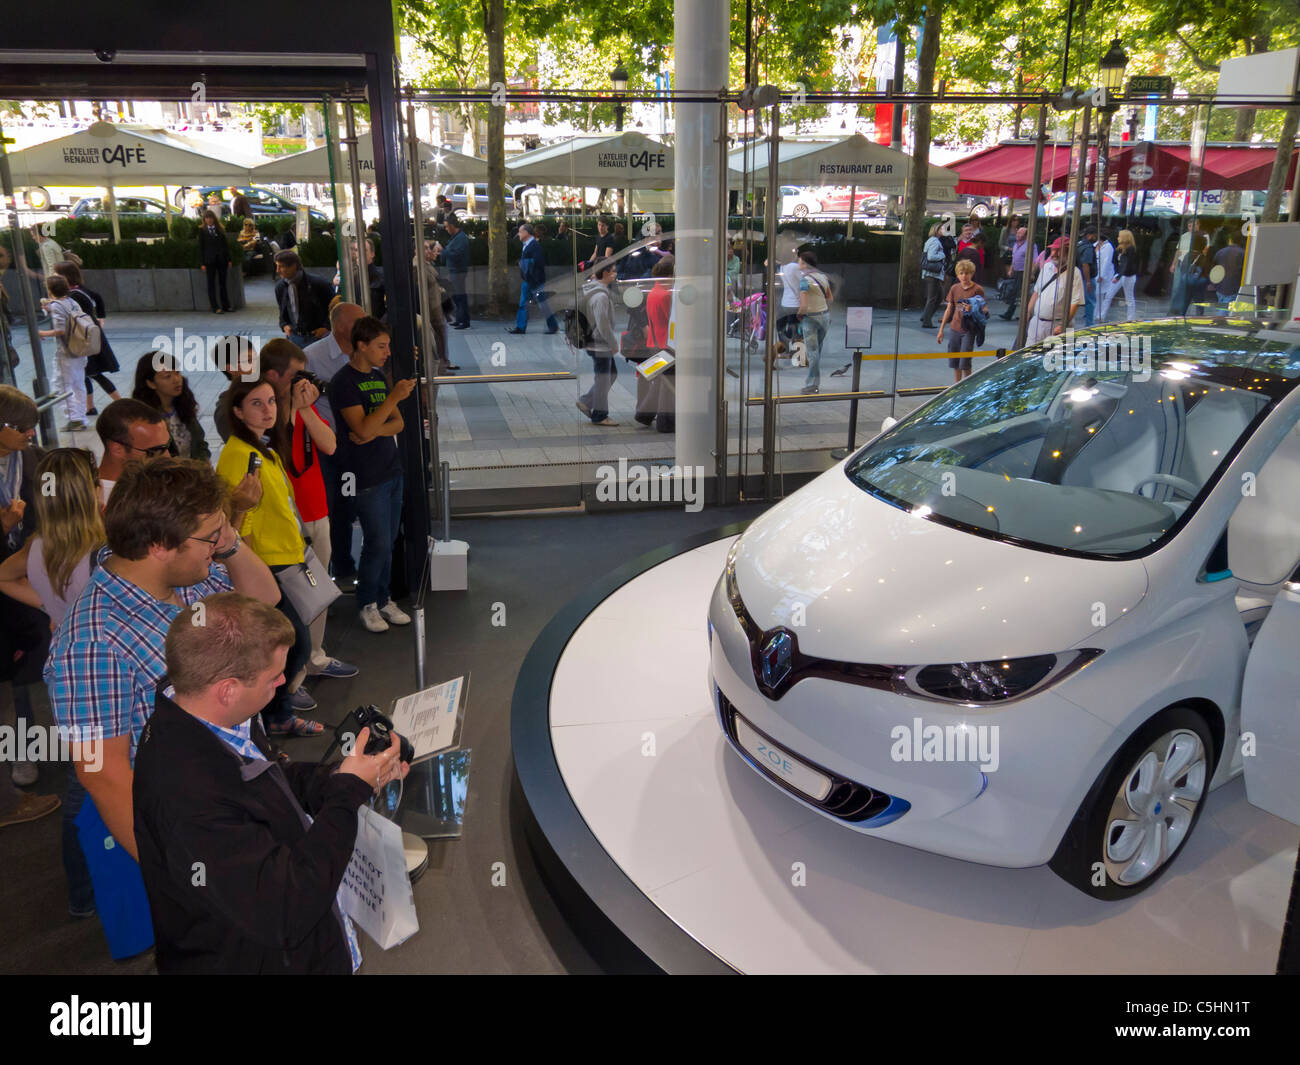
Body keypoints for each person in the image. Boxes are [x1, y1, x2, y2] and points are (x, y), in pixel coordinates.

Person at [43, 457, 278, 934]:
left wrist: (226, 540)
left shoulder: (190, 578)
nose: (220, 544)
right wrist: (187, 874)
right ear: (158, 545)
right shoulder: (89, 643)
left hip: (237, 790)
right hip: (189, 827)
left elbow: (265, 598)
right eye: (210, 536)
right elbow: (102, 775)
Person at [133, 592, 407, 974]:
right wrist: (347, 795)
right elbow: (286, 911)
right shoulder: (187, 792)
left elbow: (269, 783)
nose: (283, 681)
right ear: (227, 689)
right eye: (273, 676)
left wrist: (341, 776)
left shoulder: (209, 717)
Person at [0, 447, 103, 913]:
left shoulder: (39, 544)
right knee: (100, 784)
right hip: (104, 678)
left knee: (84, 783)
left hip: (65, 677)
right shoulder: (105, 547)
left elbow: (3, 576)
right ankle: (91, 890)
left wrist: (49, 605)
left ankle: (83, 892)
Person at [216, 378, 323, 733]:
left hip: (284, 556)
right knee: (291, 642)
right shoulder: (239, 456)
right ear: (237, 411)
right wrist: (246, 568)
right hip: (266, 563)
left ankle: (275, 716)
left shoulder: (264, 449)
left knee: (291, 641)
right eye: (257, 404)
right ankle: (268, 717)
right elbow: (237, 519)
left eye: (272, 401)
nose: (268, 410)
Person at [257, 339, 357, 688]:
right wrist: (288, 409)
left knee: (319, 590)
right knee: (291, 602)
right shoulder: (261, 410)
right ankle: (291, 680)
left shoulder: (302, 406)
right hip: (287, 521)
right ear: (272, 375)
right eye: (297, 374)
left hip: (317, 510)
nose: (305, 381)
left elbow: (329, 444)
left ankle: (316, 657)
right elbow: (276, 448)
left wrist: (303, 410)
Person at [330, 317, 415, 633]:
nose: (387, 352)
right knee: (376, 541)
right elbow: (363, 427)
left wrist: (370, 430)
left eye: (388, 345)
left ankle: (383, 598)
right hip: (366, 476)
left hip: (391, 468)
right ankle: (367, 602)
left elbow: (398, 425)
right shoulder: (343, 383)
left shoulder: (378, 376)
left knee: (388, 540)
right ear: (361, 345)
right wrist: (391, 400)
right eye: (381, 346)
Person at [305, 303, 365, 588]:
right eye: (360, 321)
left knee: (348, 504)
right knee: (328, 507)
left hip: (356, 445)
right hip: (326, 447)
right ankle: (325, 573)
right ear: (342, 326)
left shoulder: (364, 352)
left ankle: (343, 565)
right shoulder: (312, 357)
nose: (366, 325)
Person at [52, 260, 121, 415]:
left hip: (86, 339)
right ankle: (90, 407)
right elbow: (97, 297)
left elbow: (73, 316)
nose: (54, 276)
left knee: (94, 373)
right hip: (89, 337)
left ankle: (121, 402)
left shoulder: (73, 295)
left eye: (57, 274)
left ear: (66, 277)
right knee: (86, 373)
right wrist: (100, 317)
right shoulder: (79, 290)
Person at [132, 351, 210, 462]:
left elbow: (200, 444)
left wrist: (203, 467)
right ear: (151, 383)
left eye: (177, 373)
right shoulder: (144, 419)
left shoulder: (184, 406)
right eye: (167, 376)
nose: (176, 380)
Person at [37, 274, 90, 432]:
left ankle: (74, 419)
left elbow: (61, 329)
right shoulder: (72, 302)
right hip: (80, 349)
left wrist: (41, 333)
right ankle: (81, 417)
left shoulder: (57, 306)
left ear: (50, 290)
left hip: (67, 352)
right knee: (78, 384)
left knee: (62, 386)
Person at [95, 399, 171, 503]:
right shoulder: (98, 503)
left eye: (168, 446)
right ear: (117, 449)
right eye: (154, 451)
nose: (168, 457)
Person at [575, 260, 620, 428]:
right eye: (613, 271)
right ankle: (600, 415)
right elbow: (603, 325)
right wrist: (613, 343)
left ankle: (587, 401)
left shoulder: (592, 288)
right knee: (603, 379)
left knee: (611, 375)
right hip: (600, 344)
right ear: (606, 272)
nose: (615, 274)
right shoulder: (600, 296)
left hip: (594, 342)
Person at [1025, 237, 1085, 344]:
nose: (1054, 254)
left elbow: (1075, 302)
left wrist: (1063, 325)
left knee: (1058, 359)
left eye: (1059, 250)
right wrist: (1028, 312)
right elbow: (1037, 292)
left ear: (1068, 252)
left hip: (1058, 326)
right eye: (1053, 250)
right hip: (1037, 323)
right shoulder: (1047, 267)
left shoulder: (1075, 273)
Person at [937, 259, 985, 385]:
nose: (964, 276)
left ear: (972, 273)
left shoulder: (977, 289)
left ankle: (968, 386)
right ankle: (956, 385)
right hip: (955, 328)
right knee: (955, 361)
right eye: (961, 273)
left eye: (967, 273)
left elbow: (984, 309)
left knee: (965, 362)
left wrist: (973, 309)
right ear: (957, 275)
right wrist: (941, 329)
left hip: (969, 329)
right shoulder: (954, 288)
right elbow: (949, 308)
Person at [275, 250, 335, 349]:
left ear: (294, 266)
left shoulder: (319, 284)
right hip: (294, 337)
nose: (277, 270)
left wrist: (326, 327)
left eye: (281, 266)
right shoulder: (280, 287)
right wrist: (284, 325)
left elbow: (335, 307)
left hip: (317, 337)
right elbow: (282, 311)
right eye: (277, 266)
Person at [506, 223, 558, 334]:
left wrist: (523, 263)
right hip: (529, 280)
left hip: (536, 281)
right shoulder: (528, 244)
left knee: (542, 304)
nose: (518, 234)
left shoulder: (534, 245)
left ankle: (552, 326)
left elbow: (538, 262)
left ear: (526, 233)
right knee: (524, 303)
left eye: (520, 231)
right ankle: (521, 327)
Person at [795, 250, 833, 395]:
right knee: (818, 350)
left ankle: (812, 385)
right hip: (824, 317)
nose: (798, 263)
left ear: (804, 264)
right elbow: (830, 298)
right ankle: (815, 382)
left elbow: (803, 306)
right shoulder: (822, 277)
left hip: (810, 318)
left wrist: (799, 315)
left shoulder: (804, 280)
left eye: (799, 261)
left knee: (812, 352)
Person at [419, 240, 458, 375]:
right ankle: (441, 366)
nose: (430, 252)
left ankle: (443, 364)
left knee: (440, 337)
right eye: (426, 249)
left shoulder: (426, 265)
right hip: (431, 309)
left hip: (435, 307)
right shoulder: (418, 266)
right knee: (437, 338)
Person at [212, 335, 259, 442]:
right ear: (230, 368)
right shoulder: (226, 410)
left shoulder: (264, 392)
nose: (256, 365)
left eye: (256, 359)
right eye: (249, 361)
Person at [197, 209, 233, 314]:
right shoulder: (202, 231)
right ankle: (215, 307)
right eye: (207, 218)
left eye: (211, 218)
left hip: (221, 260)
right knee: (211, 284)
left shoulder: (219, 230)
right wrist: (202, 263)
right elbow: (200, 248)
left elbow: (225, 246)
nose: (209, 220)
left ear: (214, 219)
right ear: (204, 220)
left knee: (223, 283)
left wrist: (229, 259)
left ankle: (226, 305)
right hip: (209, 261)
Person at [998, 227, 1037, 321]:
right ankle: (1022, 313)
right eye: (1017, 233)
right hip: (1017, 272)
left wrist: (1032, 273)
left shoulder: (1031, 245)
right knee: (1018, 294)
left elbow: (1034, 260)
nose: (1017, 235)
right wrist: (1011, 269)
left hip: (1025, 272)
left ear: (1026, 235)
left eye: (1020, 233)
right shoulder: (1016, 245)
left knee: (1020, 293)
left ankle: (1012, 313)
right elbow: (1014, 258)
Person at [440, 215, 470, 329]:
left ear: (452, 226)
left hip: (458, 271)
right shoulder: (456, 237)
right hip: (455, 270)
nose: (446, 229)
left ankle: (464, 321)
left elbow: (456, 255)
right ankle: (460, 319)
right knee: (457, 296)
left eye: (447, 227)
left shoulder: (460, 238)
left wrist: (444, 251)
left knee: (460, 296)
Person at [920, 222, 947, 329]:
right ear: (937, 230)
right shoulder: (935, 241)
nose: (943, 230)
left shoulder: (931, 240)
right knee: (933, 298)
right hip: (933, 274)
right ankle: (926, 321)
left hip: (930, 273)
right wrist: (942, 255)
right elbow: (931, 257)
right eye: (942, 229)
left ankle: (926, 316)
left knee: (938, 296)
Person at [1114, 229, 1140, 322]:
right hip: (1123, 275)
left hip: (1128, 275)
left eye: (1120, 236)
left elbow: (1126, 264)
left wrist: (1118, 276)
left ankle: (1130, 318)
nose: (1118, 238)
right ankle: (1130, 317)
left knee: (1129, 297)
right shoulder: (1120, 248)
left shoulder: (1130, 249)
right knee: (1127, 296)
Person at [1213, 230, 1246, 303]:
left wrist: (1216, 285)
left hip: (1221, 287)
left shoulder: (1220, 252)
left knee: (1222, 309)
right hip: (1234, 288)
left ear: (1230, 240)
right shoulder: (1243, 254)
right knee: (1226, 312)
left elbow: (1214, 269)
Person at [1094, 229, 1117, 322]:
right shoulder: (1095, 245)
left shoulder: (1108, 247)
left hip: (1104, 274)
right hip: (1096, 273)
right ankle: (1096, 314)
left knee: (1103, 295)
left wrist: (1102, 275)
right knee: (1097, 295)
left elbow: (1106, 262)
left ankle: (1101, 315)